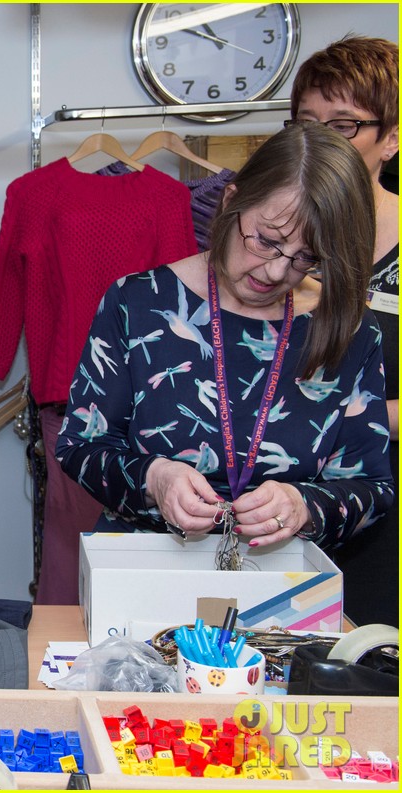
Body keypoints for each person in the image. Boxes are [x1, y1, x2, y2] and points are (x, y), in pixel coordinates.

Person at [55, 123, 394, 549]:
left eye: (306, 257)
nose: (275, 271)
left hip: (281, 586)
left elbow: (373, 488)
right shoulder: (138, 302)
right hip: (145, 567)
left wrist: (304, 504)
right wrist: (153, 478)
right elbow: (80, 447)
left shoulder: (350, 329)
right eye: (267, 241)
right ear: (231, 203)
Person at [289, 35, 399, 625]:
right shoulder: (270, 240)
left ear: (393, 137)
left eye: (344, 124)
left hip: (388, 513)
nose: (320, 140)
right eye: (306, 121)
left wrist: (347, 419)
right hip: (284, 508)